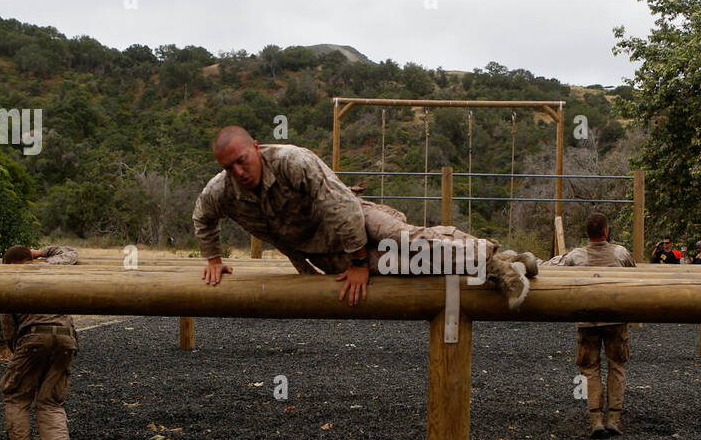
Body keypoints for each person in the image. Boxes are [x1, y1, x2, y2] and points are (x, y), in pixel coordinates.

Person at [192, 127, 535, 308]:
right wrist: (213, 258)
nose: (238, 171)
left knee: (406, 241)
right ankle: (507, 259)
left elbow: (340, 207)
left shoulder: (292, 161)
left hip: (356, 220)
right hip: (327, 253)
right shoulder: (220, 190)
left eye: (241, 160)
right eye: (228, 166)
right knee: (402, 265)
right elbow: (202, 217)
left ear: (255, 146)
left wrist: (358, 262)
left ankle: (497, 268)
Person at [545, 213, 636, 437]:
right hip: (616, 318)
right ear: (605, 231)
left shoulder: (576, 256)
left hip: (586, 320)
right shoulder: (620, 253)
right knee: (616, 366)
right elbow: (634, 275)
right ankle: (614, 418)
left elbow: (556, 270)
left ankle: (595, 419)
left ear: (588, 233)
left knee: (589, 369)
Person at [0, 244, 80, 440]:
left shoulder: (7, 279)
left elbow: (9, 330)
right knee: (51, 401)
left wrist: (21, 358)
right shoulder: (51, 266)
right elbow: (71, 252)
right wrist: (40, 253)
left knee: (15, 395)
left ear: (6, 265)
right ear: (30, 259)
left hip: (32, 337)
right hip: (66, 337)